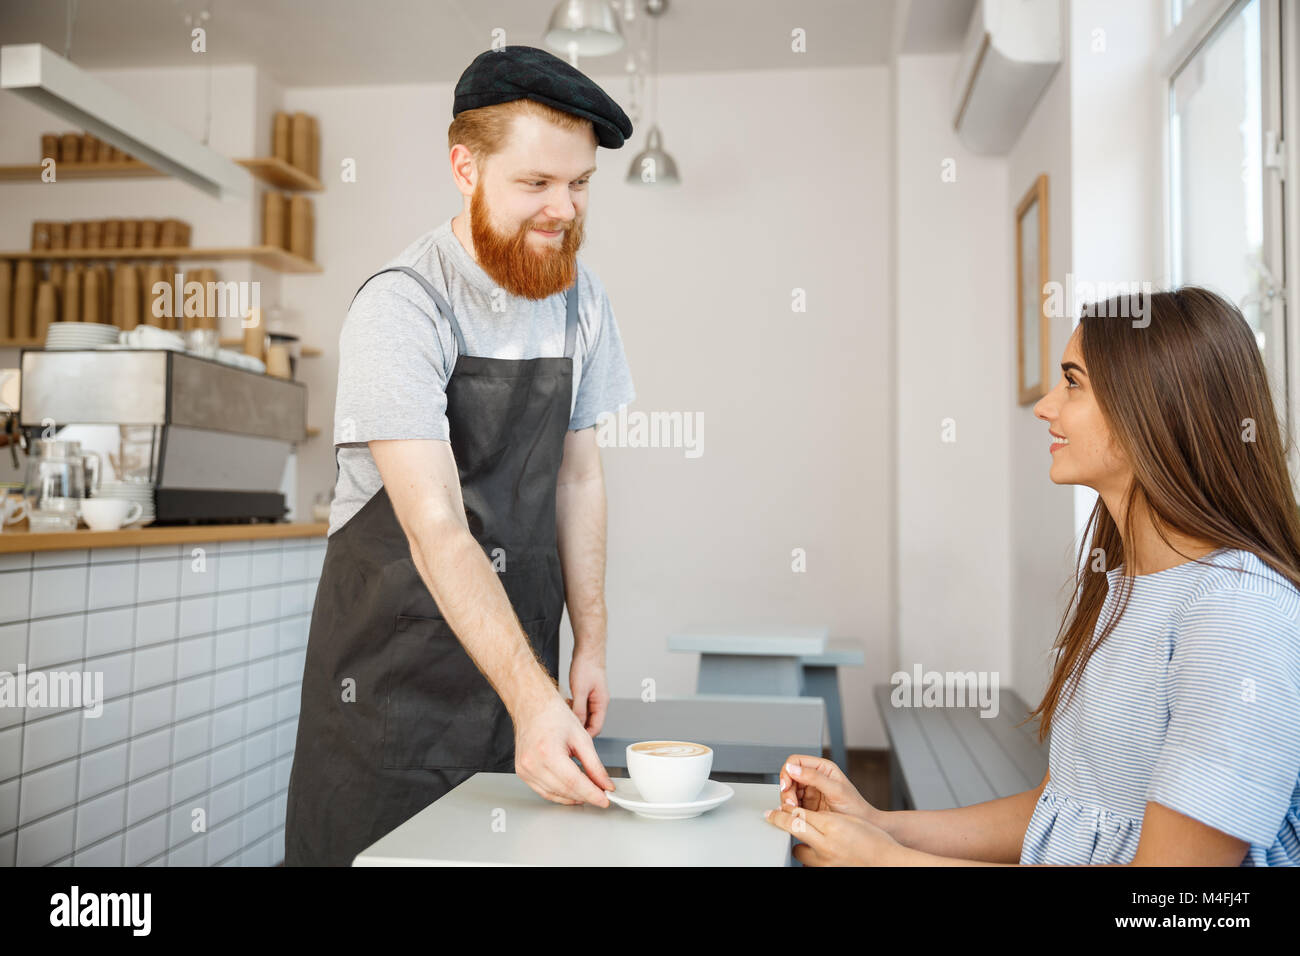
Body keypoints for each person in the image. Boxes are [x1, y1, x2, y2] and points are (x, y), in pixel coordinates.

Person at [764, 287, 1300, 865]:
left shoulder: (1238, 613)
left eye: (1072, 382)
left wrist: (886, 861)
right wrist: (880, 825)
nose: (1046, 406)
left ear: (1155, 407)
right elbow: (1069, 809)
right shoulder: (1129, 585)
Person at [285, 46, 636, 866]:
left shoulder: (582, 302)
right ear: (464, 167)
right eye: (536, 184)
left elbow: (579, 477)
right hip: (388, 689)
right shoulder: (404, 307)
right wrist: (533, 698)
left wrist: (590, 641)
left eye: (579, 183)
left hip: (522, 678)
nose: (563, 210)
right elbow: (438, 526)